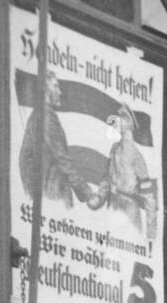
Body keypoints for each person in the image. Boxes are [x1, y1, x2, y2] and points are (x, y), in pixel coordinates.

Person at [19, 70, 93, 209]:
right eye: (56, 86)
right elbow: (63, 159)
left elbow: (23, 158)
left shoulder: (38, 115)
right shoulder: (46, 116)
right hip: (53, 192)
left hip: (47, 191)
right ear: (45, 89)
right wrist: (86, 192)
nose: (59, 92)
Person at [87, 105, 157, 240]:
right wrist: (98, 199)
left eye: (124, 118)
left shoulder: (136, 155)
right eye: (119, 117)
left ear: (131, 124)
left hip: (129, 210)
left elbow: (149, 196)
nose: (118, 120)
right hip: (113, 207)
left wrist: (151, 232)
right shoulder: (114, 149)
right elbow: (107, 179)